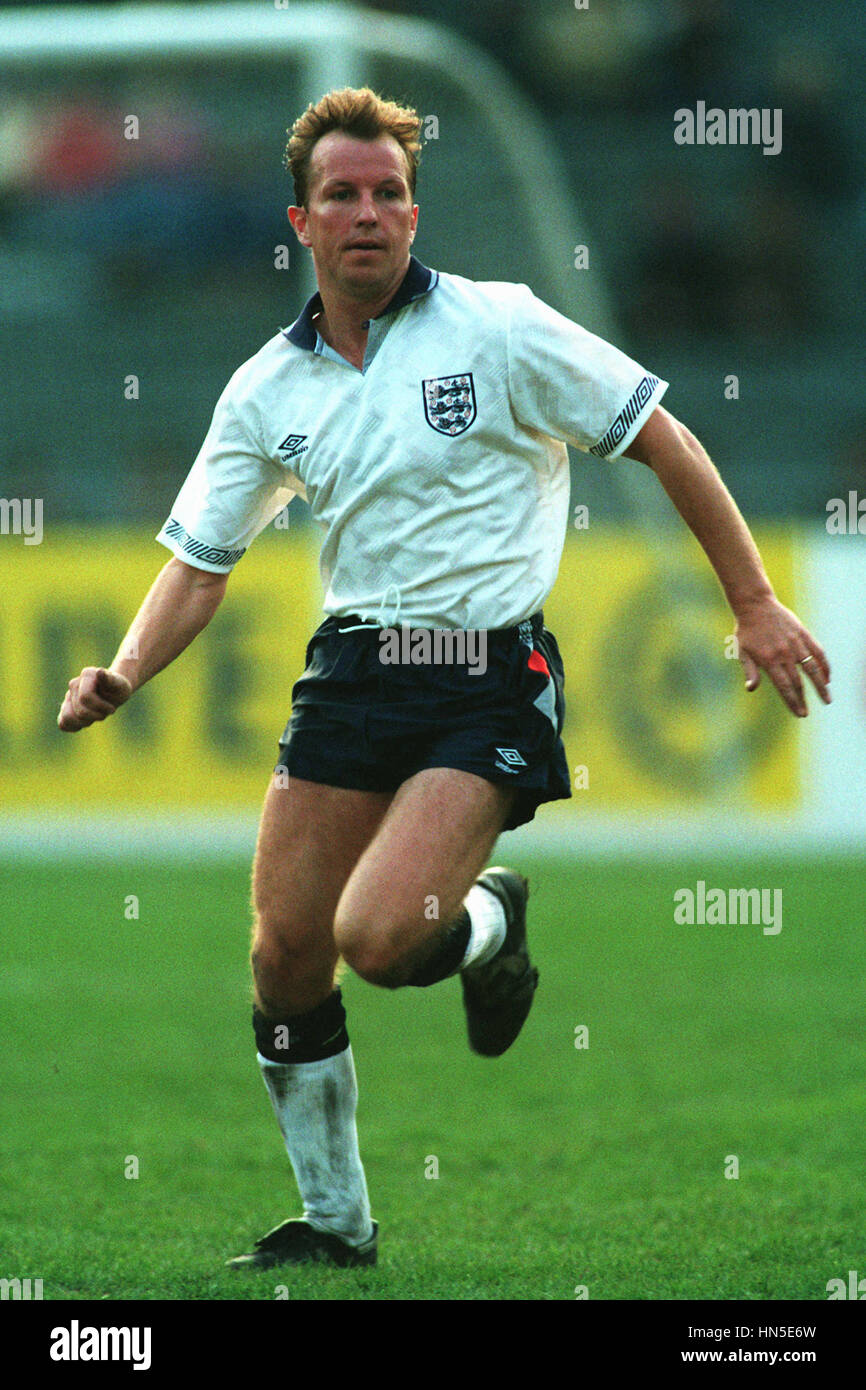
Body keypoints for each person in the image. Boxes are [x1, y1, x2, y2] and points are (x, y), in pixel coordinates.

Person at [57, 87, 831, 1271]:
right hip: (352, 669)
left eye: (387, 195)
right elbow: (199, 565)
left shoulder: (502, 328)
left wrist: (753, 600)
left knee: (377, 939)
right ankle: (336, 1225)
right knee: (281, 954)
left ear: (413, 213)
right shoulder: (266, 387)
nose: (367, 214)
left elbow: (660, 433)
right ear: (300, 222)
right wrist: (124, 667)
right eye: (341, 197)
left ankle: (489, 917)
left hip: (486, 675)